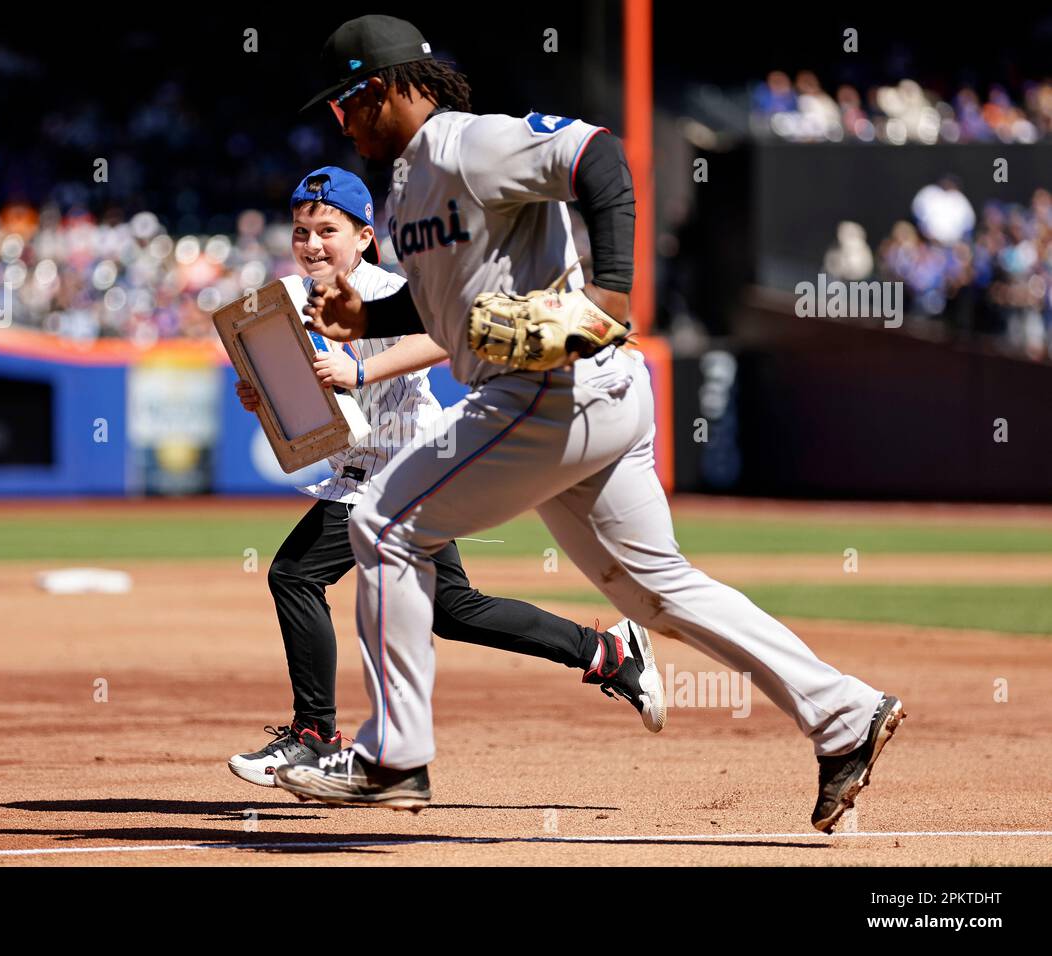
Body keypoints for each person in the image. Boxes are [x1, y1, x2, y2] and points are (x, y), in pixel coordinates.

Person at [281, 15, 904, 831]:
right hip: (586, 398)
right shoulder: (407, 186)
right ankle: (844, 713)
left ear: (391, 85)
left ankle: (396, 755)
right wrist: (365, 313)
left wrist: (610, 291)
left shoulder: (468, 143)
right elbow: (436, 300)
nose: (343, 119)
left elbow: (597, 156)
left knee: (385, 524)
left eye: (347, 101)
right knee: (657, 592)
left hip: (548, 387)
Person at [226, 165, 666, 789]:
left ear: (364, 235)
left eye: (328, 229)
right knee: (453, 610)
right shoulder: (291, 297)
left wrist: (360, 373)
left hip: (404, 466)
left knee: (294, 574)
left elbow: (447, 334)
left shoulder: (387, 289)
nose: (312, 243)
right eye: (302, 230)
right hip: (365, 472)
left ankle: (315, 737)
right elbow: (311, 391)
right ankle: (606, 653)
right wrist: (266, 394)